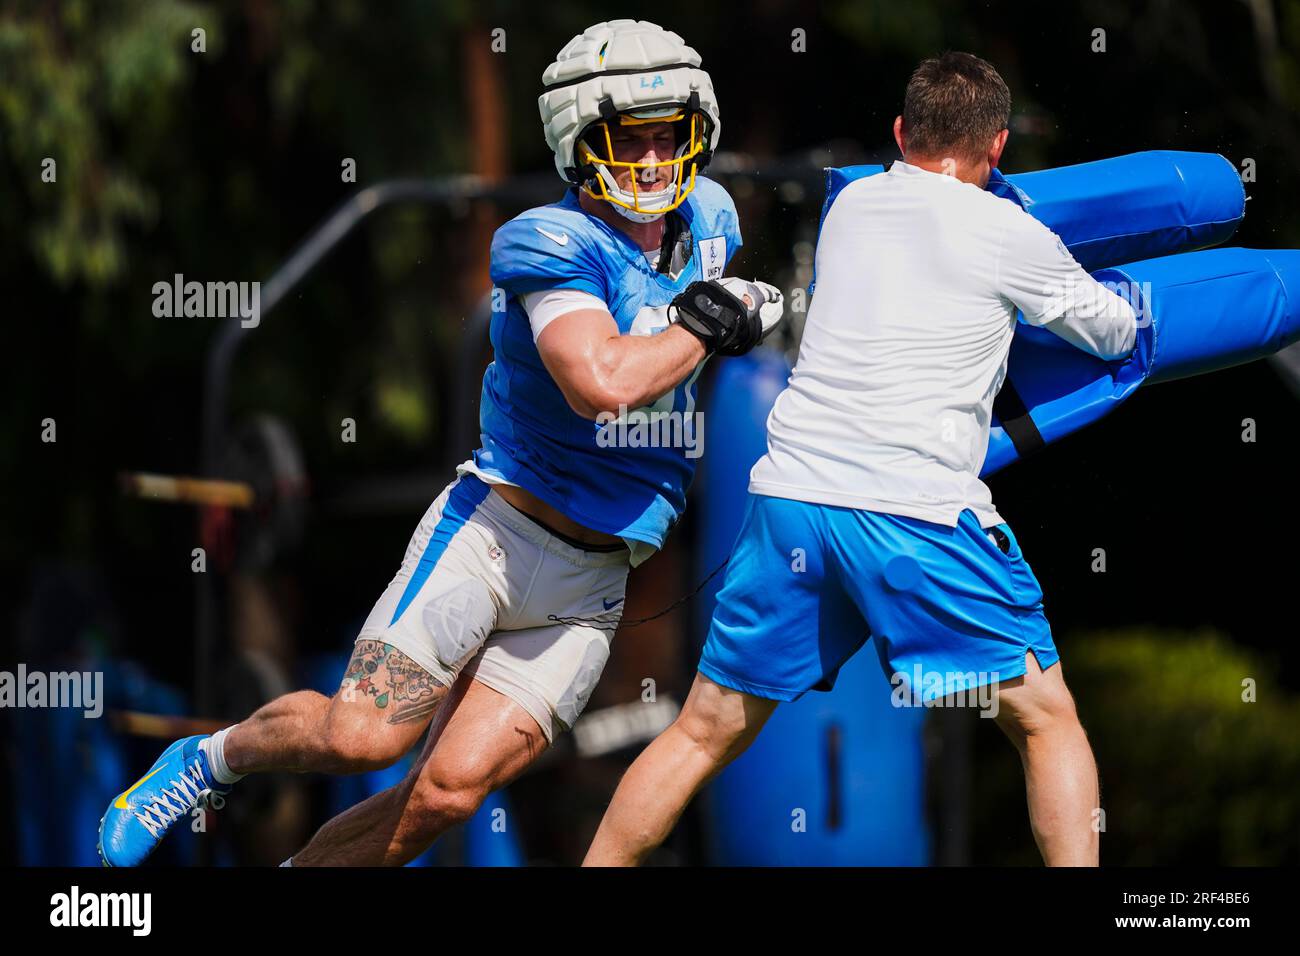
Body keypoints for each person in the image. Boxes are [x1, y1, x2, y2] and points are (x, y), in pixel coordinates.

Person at [98, 18, 782, 867]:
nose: (649, 161)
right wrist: (714, 321)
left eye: (665, 138)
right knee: (361, 738)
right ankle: (209, 757)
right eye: (625, 140)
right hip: (497, 537)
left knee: (450, 792)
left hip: (596, 580)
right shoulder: (546, 239)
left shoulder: (712, 214)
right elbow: (601, 381)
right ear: (580, 140)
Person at [583, 51, 1137, 867]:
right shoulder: (1011, 232)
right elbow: (1117, 332)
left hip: (791, 504)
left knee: (703, 731)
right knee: (1045, 719)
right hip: (913, 511)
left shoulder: (854, 206)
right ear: (1000, 146)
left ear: (902, 131)